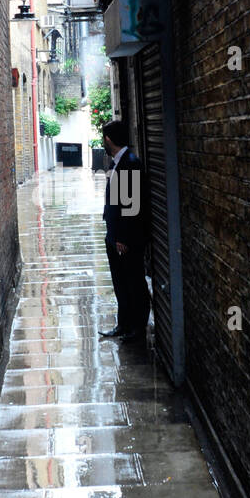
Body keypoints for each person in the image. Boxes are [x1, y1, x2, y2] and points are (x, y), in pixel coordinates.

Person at [99, 120, 151, 341]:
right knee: (121, 282)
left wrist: (122, 238)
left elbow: (131, 206)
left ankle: (136, 328)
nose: (103, 142)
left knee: (133, 282)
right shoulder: (118, 163)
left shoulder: (129, 163)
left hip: (125, 239)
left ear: (108, 139)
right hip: (115, 236)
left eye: (104, 138)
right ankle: (124, 324)